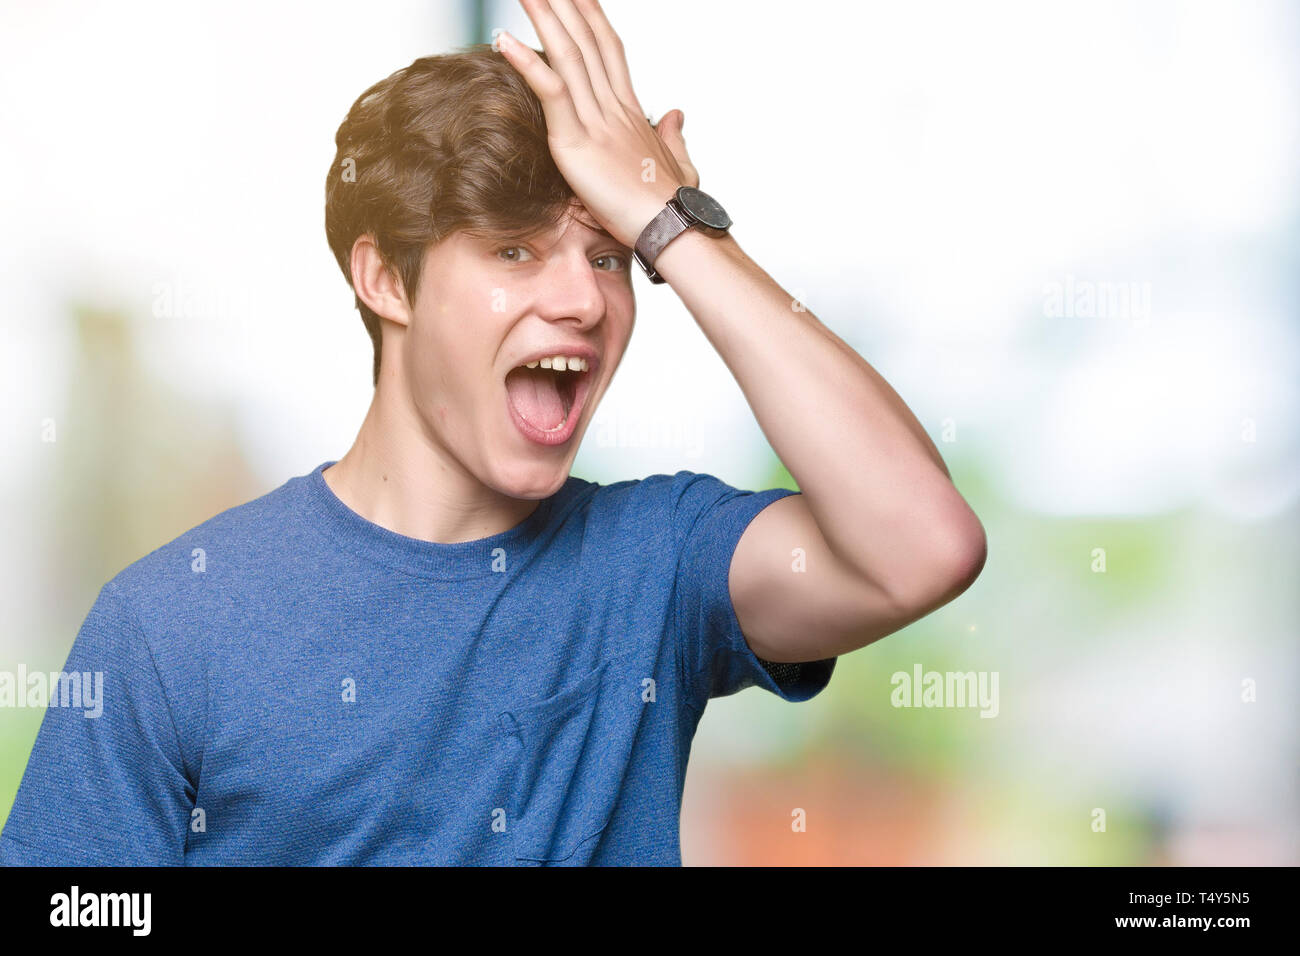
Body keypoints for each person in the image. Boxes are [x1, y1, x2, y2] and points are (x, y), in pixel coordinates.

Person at [0, 0, 985, 866]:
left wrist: (674, 221)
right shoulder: (168, 623)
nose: (582, 300)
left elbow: (923, 545)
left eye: (606, 255)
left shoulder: (658, 565)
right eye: (514, 248)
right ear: (385, 277)